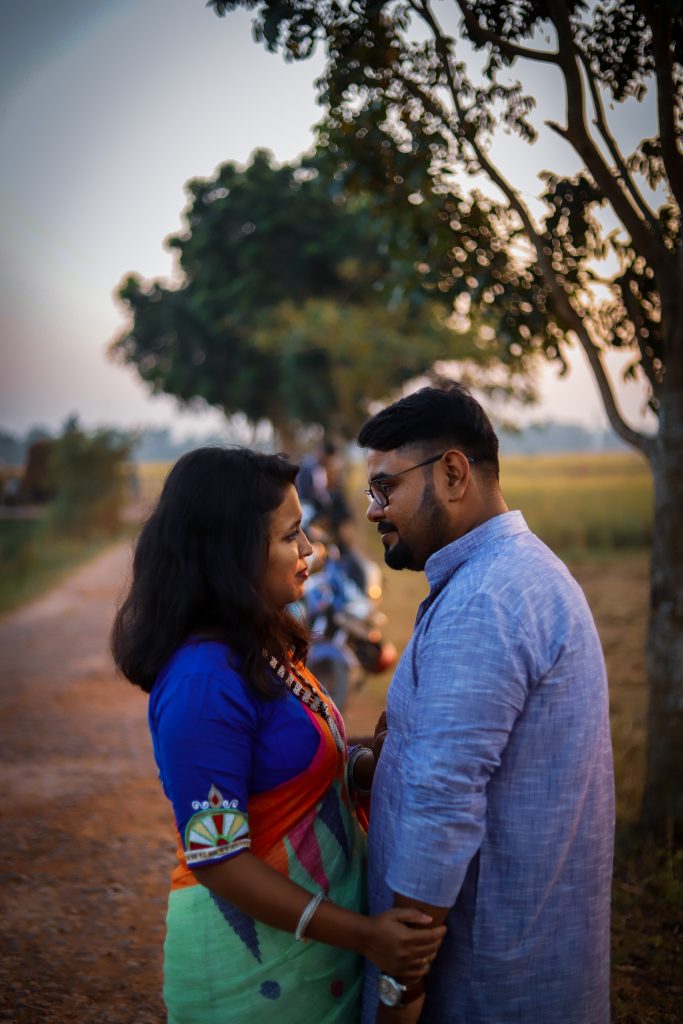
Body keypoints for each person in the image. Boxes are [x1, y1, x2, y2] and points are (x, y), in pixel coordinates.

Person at [111, 446, 444, 1024]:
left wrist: (370, 761)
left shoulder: (260, 646)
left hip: (308, 960)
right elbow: (217, 858)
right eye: (292, 536)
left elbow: (294, 769)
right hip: (247, 974)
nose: (310, 550)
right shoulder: (201, 684)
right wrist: (366, 936)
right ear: (231, 554)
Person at [355, 384, 615, 1024]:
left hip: (484, 987)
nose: (372, 511)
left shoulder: (487, 601)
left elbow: (442, 809)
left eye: (385, 489)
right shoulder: (503, 576)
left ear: (451, 473)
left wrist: (398, 994)